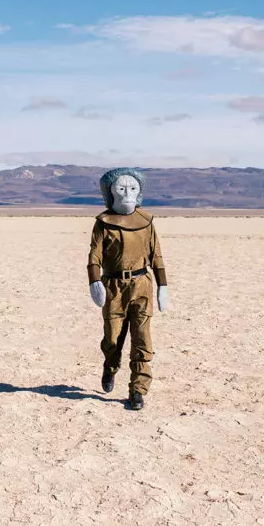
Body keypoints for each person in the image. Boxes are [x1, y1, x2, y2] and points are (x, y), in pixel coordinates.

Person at [86, 167, 169, 411]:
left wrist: (163, 285)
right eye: (121, 189)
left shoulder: (147, 222)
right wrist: (94, 281)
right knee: (113, 339)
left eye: (131, 188)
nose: (126, 193)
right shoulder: (103, 224)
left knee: (142, 340)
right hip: (113, 288)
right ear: (111, 192)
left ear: (139, 191)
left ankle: (137, 391)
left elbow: (157, 256)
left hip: (141, 286)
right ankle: (110, 367)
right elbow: (94, 256)